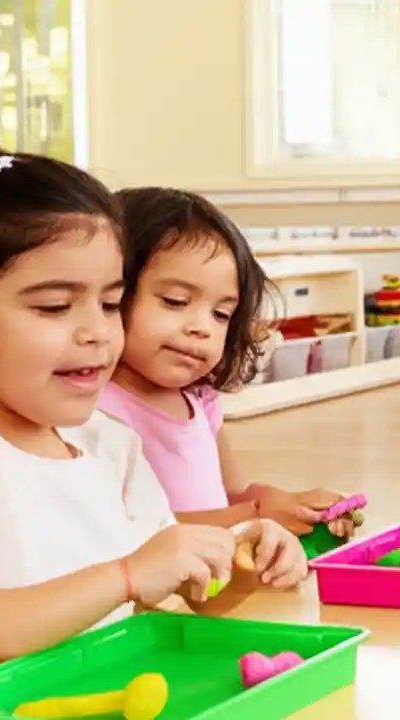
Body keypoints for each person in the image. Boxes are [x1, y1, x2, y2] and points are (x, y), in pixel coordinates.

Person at [0, 131, 306, 696]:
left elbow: (184, 588)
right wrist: (125, 576)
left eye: (110, 303)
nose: (97, 333)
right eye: (55, 306)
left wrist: (240, 556)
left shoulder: (106, 443)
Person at [98, 187, 355, 538]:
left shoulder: (200, 400)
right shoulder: (96, 410)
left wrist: (291, 506)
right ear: (111, 293)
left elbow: (230, 497)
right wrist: (255, 515)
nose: (201, 327)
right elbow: (133, 528)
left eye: (221, 314)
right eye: (175, 301)